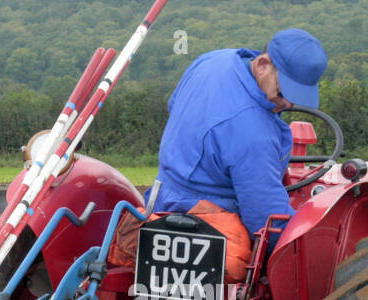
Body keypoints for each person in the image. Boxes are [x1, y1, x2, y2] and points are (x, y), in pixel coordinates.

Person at [110, 29, 328, 282]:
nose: (288, 104)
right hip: (210, 217)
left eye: (295, 98)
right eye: (282, 93)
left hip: (162, 196)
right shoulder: (254, 134)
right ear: (263, 64)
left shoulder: (213, 61)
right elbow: (265, 217)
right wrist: (310, 249)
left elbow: (174, 105)